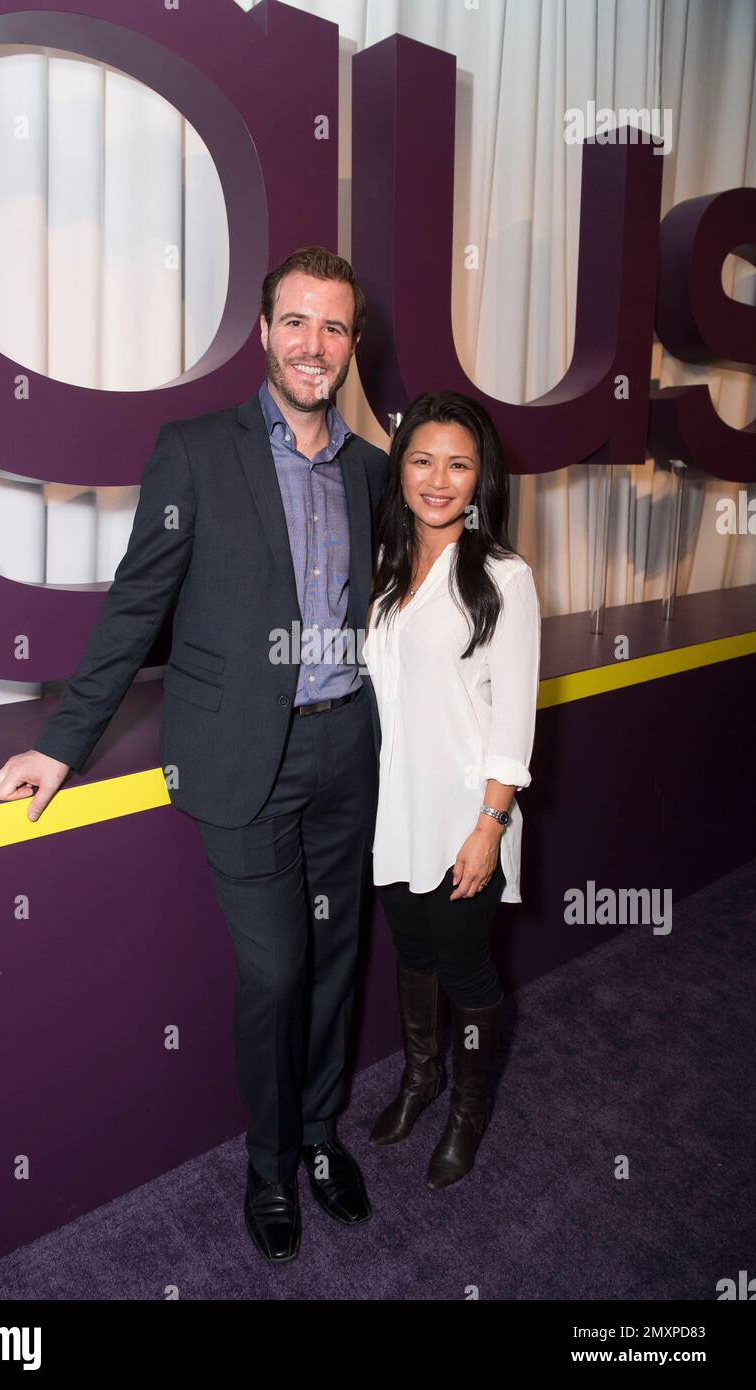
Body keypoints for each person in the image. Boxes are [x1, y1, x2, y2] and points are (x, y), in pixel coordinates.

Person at [0, 247, 390, 1263]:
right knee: (276, 971)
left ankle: (318, 1133)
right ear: (262, 334)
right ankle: (267, 1165)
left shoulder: (370, 470)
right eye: (295, 322)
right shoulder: (195, 450)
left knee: (337, 957)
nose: (313, 344)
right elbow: (138, 603)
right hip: (239, 760)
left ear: (352, 348)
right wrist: (61, 742)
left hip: (346, 746)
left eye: (333, 327)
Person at [362, 391, 541, 1189]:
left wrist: (488, 825)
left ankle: (468, 1107)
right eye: (423, 459)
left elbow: (514, 718)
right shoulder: (384, 566)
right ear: (400, 467)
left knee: (467, 974)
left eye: (458, 464)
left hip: (467, 817)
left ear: (481, 479)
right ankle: (419, 1077)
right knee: (415, 954)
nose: (438, 479)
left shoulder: (504, 577)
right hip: (393, 813)